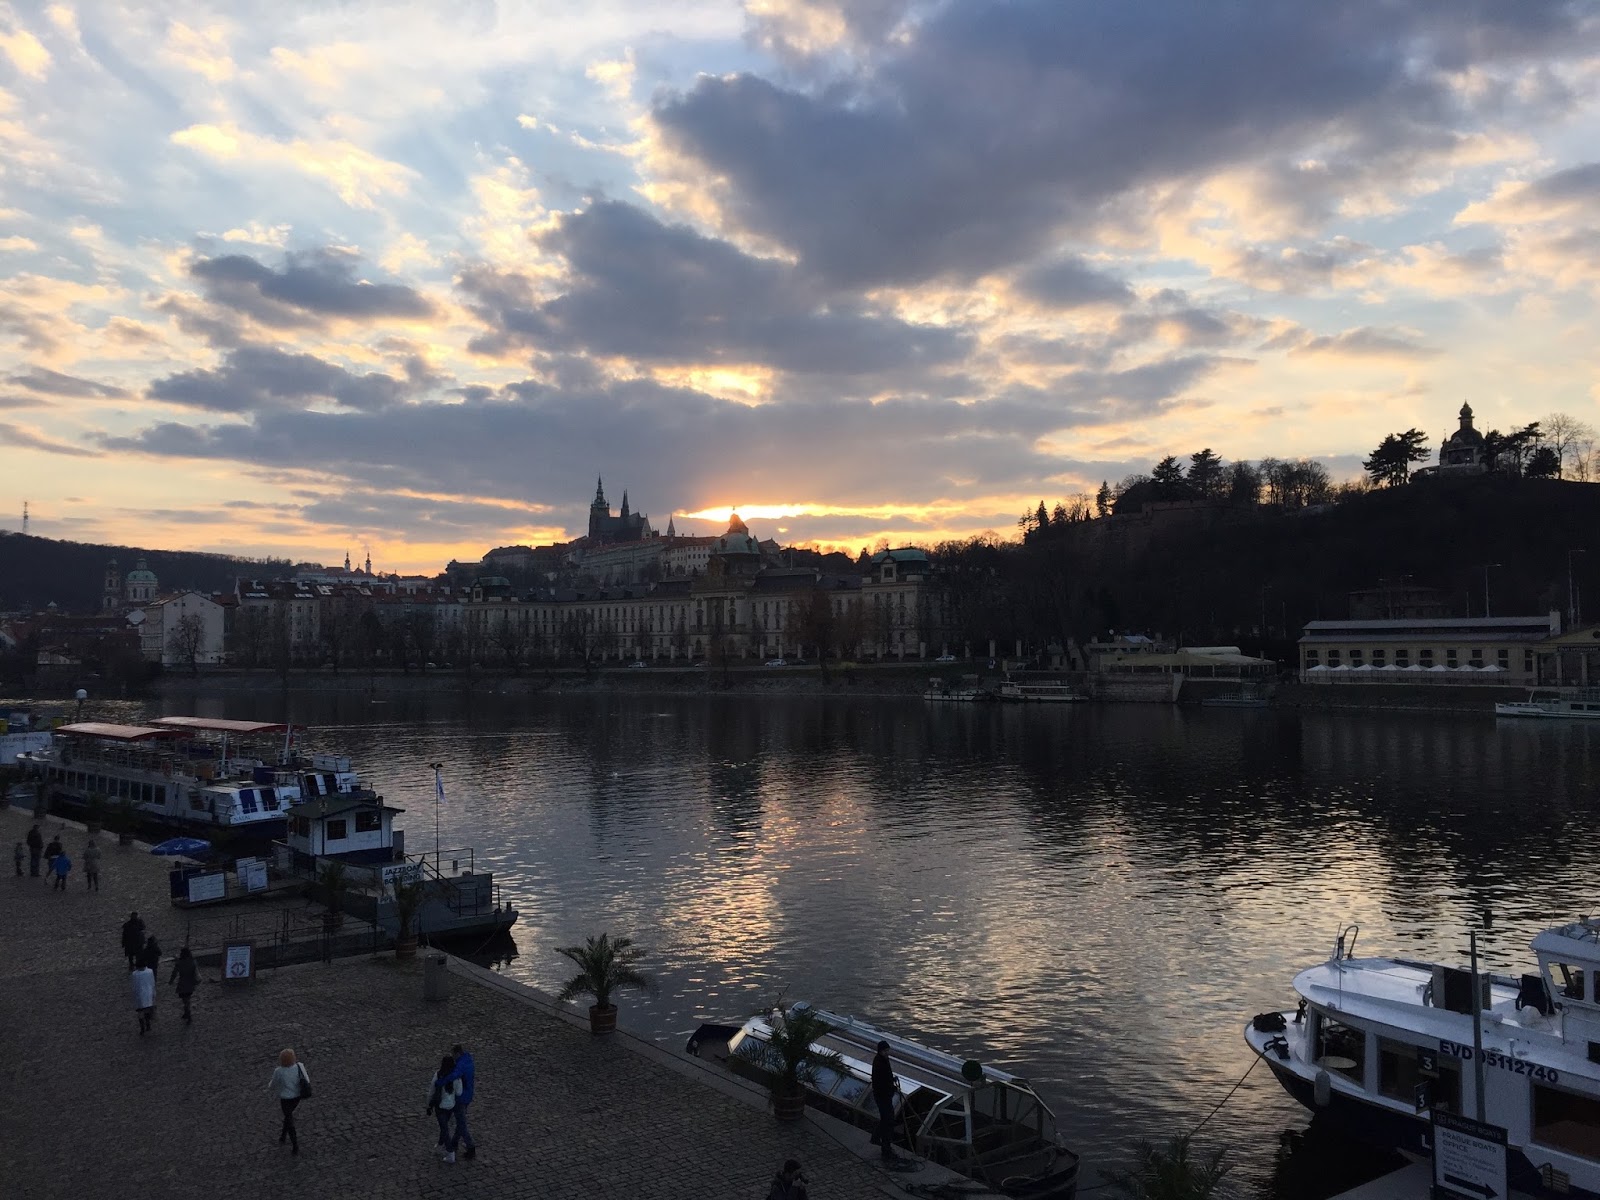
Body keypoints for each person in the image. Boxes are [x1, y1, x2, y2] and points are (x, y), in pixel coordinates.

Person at [268, 1049, 310, 1154]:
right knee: (288, 1116)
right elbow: (307, 1080)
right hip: (297, 1097)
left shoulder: (279, 1071)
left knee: (289, 1118)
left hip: (286, 1099)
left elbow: (273, 1084)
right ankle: (283, 1136)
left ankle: (294, 1145)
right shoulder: (300, 1066)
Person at [438, 1042, 477, 1159]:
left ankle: (470, 1147)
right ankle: (454, 1142)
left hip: (461, 1097)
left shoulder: (461, 1065)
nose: (453, 1057)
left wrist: (440, 1082)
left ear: (457, 1053)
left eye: (453, 1055)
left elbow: (454, 1075)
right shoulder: (468, 1060)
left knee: (461, 1123)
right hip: (468, 1095)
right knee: (460, 1121)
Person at [426, 1053, 461, 1163]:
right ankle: (441, 1145)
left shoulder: (438, 1075)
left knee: (444, 1128)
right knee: (444, 1126)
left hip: (440, 1106)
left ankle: (450, 1153)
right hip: (450, 1106)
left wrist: (428, 1104)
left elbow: (431, 1090)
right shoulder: (456, 1077)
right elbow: (459, 1092)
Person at [871, 1039, 900, 1161]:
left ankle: (880, 1141)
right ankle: (884, 1144)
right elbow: (881, 1081)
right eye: (886, 1050)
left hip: (884, 1095)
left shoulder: (882, 1060)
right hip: (883, 1096)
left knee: (887, 1119)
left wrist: (892, 1081)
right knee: (888, 1120)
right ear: (881, 1051)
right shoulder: (880, 1062)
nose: (888, 1052)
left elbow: (885, 1077)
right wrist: (892, 1086)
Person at [170, 946, 198, 1022]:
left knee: (185, 1000)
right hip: (190, 983)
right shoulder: (193, 962)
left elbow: (174, 973)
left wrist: (171, 981)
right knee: (188, 999)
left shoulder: (180, 963)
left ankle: (188, 1014)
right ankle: (186, 1013)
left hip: (182, 984)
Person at [130, 962, 155, 1034]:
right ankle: (148, 1025)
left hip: (139, 995)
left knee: (140, 1012)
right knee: (147, 1010)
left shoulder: (135, 974)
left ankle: (142, 1028)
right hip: (148, 994)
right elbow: (152, 983)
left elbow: (134, 986)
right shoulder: (150, 971)